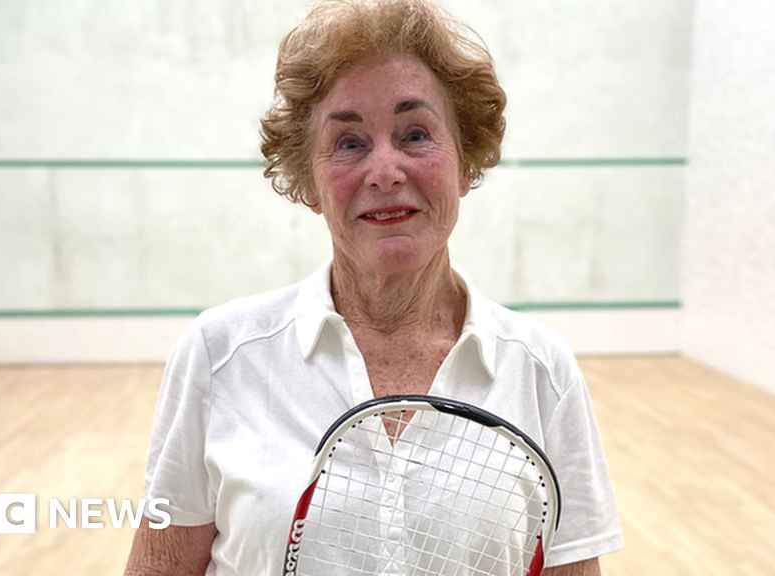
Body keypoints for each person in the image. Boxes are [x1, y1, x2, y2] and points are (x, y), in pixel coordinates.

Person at [124, 1, 623, 574]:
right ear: (308, 181)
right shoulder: (219, 357)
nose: (385, 171)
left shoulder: (541, 372)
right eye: (349, 143)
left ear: (466, 165)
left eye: (416, 134)